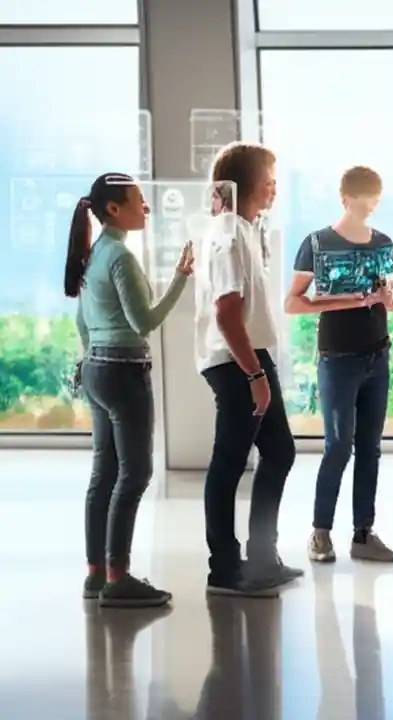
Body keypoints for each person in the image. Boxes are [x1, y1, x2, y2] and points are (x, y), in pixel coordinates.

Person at [68, 173, 193, 607]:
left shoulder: (93, 254)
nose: (147, 208)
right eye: (140, 200)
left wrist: (92, 360)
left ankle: (96, 574)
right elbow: (144, 322)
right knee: (136, 472)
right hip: (124, 372)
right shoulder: (119, 256)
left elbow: (83, 323)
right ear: (115, 209)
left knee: (104, 473)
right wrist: (180, 278)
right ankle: (119, 578)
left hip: (96, 370)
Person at [195, 141, 303, 597]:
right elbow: (226, 312)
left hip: (250, 358)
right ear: (246, 182)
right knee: (230, 463)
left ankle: (260, 558)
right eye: (269, 178)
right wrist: (255, 374)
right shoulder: (228, 232)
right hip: (239, 361)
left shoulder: (243, 229)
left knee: (278, 452)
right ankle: (226, 568)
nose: (275, 187)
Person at [287, 165, 393, 564]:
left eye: (374, 197)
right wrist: (352, 300)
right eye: (363, 197)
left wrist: (385, 299)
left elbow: (389, 298)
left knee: (370, 447)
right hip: (337, 357)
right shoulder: (316, 244)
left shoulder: (384, 243)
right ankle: (320, 532)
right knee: (339, 445)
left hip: (377, 354)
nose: (369, 205)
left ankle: (363, 533)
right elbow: (293, 303)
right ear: (345, 198)